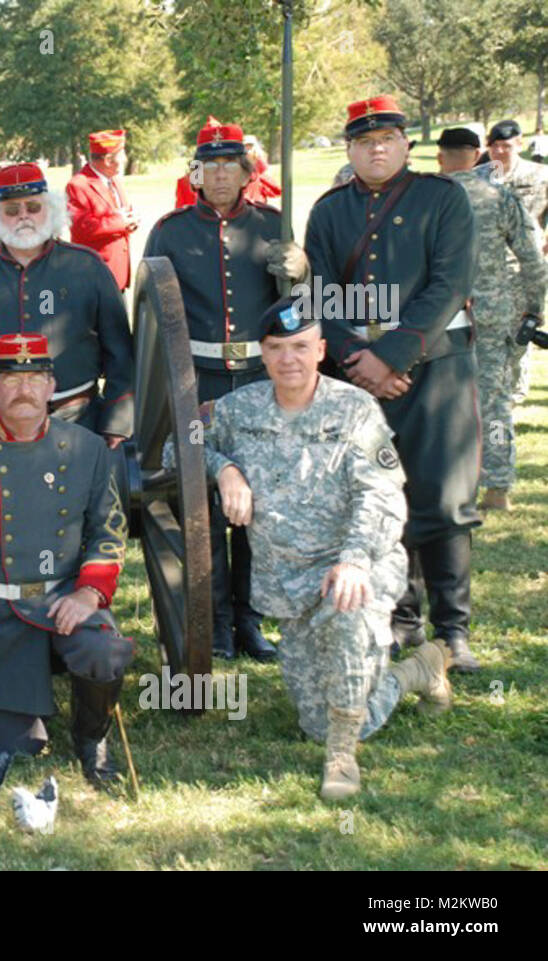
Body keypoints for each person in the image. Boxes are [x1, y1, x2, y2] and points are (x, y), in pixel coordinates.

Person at [192, 298, 452, 801]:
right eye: (276, 349)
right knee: (316, 716)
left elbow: (380, 493)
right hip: (290, 586)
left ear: (321, 351)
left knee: (349, 620)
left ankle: (341, 755)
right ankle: (417, 671)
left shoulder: (354, 409)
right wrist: (223, 468)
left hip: (357, 566)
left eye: (300, 348)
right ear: (261, 355)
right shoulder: (238, 410)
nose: (288, 359)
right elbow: (176, 445)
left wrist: (354, 560)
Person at [303, 96, 480, 672]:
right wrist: (359, 358)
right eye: (363, 141)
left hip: (435, 367)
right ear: (350, 149)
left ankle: (452, 631)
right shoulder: (330, 212)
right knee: (381, 497)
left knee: (445, 498)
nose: (376, 148)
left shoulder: (443, 199)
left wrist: (394, 357)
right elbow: (321, 295)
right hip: (357, 375)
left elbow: (450, 284)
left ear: (406, 144)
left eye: (387, 139)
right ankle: (401, 619)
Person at [0, 333, 133, 795]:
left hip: (65, 600)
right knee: (21, 746)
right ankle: (22, 713)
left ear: (51, 386)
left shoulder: (87, 448)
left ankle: (91, 737)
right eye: (11, 378)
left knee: (104, 652)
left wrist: (89, 593)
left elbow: (110, 530)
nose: (23, 389)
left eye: (34, 378)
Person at [144, 117, 309, 662]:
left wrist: (302, 271)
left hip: (259, 380)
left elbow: (303, 309)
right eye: (209, 166)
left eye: (229, 166)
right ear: (196, 174)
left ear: (246, 172)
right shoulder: (170, 230)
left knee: (257, 503)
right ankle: (211, 624)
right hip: (201, 380)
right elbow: (150, 310)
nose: (219, 176)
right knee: (205, 508)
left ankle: (249, 621)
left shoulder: (272, 225)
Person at [0, 163, 136, 444]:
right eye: (11, 210)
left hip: (78, 423)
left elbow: (121, 353)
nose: (23, 217)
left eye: (33, 207)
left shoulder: (88, 268)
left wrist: (117, 422)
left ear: (51, 209)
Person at [436, 128, 547, 513]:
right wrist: (535, 309)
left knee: (439, 399)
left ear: (440, 158)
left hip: (437, 318)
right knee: (495, 401)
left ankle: (448, 479)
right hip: (494, 313)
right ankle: (497, 487)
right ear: (479, 154)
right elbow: (532, 257)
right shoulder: (499, 197)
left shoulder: (426, 199)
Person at [485, 120, 548, 407]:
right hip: (485, 266)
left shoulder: (540, 175)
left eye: (507, 146)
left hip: (526, 265)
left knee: (522, 327)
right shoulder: (479, 177)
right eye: (495, 146)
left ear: (520, 144)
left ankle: (515, 392)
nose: (500, 151)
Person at [66, 129, 139, 290]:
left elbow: (120, 214)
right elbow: (81, 227)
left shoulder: (114, 180)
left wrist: (130, 221)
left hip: (118, 274)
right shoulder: (78, 185)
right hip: (95, 277)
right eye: (122, 154)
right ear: (107, 160)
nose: (126, 159)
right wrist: (121, 222)